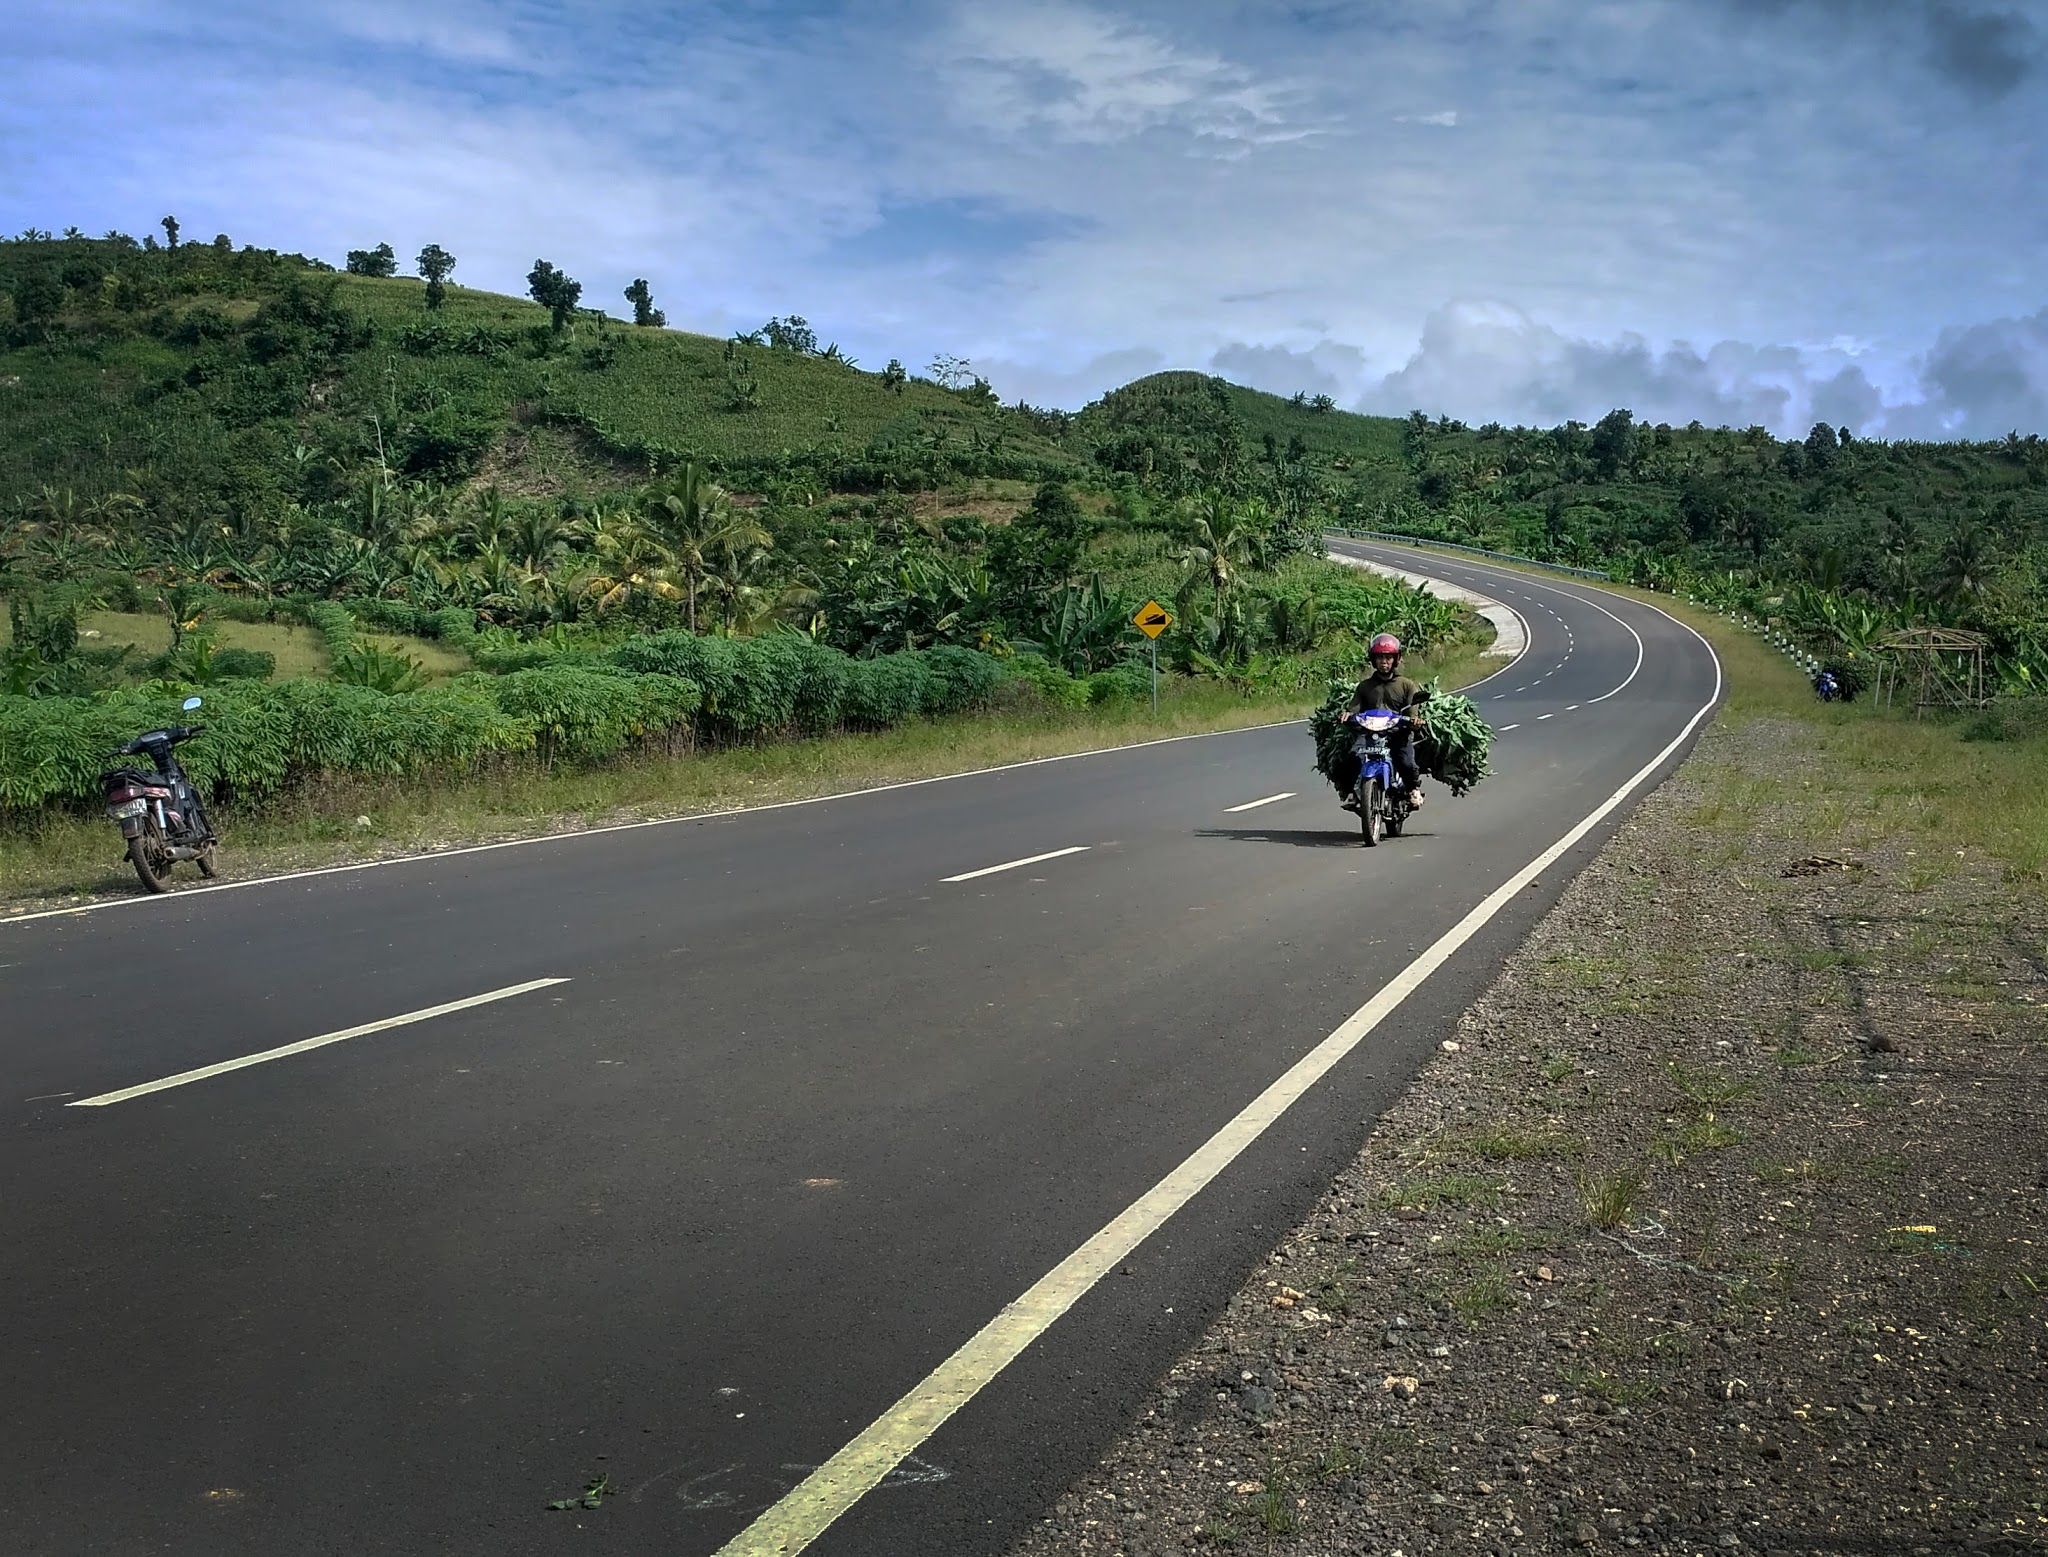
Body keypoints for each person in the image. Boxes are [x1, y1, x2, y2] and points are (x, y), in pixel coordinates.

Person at [1345, 632, 1429, 809]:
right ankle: (1352, 792)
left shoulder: (1406, 685)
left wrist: (1414, 721)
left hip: (1398, 733)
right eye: (1380, 657)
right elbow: (1354, 708)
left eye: (1388, 658)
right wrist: (1346, 715)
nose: (1384, 662)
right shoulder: (1365, 686)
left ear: (1396, 659)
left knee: (1406, 762)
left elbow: (1412, 711)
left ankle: (1413, 790)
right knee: (1352, 757)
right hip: (1370, 733)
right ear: (1373, 660)